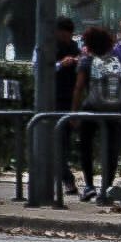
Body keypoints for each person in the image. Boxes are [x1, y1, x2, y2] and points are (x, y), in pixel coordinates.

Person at [72, 26, 121, 202]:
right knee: (111, 150)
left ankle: (89, 186)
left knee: (86, 146)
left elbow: (79, 87)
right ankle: (107, 187)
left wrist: (74, 113)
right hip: (114, 109)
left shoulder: (86, 61)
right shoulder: (116, 59)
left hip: (92, 107)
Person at [50, 18, 82, 196]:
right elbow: (39, 68)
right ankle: (67, 180)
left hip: (69, 99)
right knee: (57, 143)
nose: (65, 36)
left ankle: (66, 179)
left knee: (63, 143)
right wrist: (60, 65)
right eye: (62, 32)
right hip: (52, 99)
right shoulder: (48, 46)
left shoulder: (75, 47)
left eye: (68, 33)